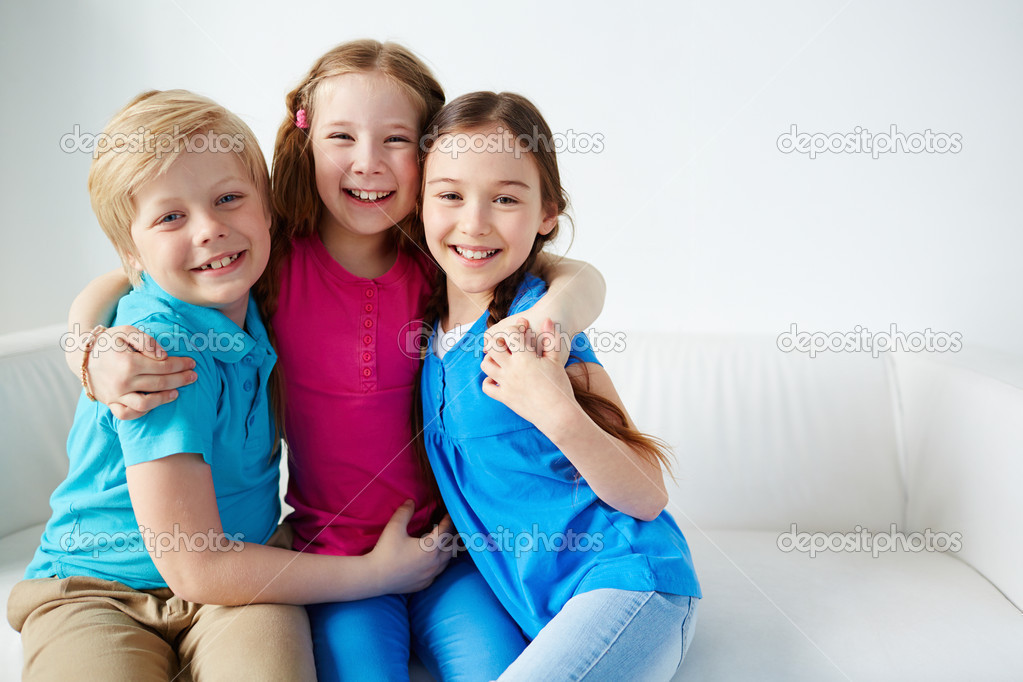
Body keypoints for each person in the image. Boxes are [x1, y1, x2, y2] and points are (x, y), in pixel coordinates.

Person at [62, 40, 606, 682]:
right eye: (342, 136)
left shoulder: (448, 258)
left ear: (429, 155)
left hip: (448, 552)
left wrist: (560, 313)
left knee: (498, 669)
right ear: (307, 143)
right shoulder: (267, 262)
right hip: (333, 552)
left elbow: (569, 271)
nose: (367, 163)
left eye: (396, 140)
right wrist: (87, 349)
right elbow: (130, 280)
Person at [9, 89, 457, 682]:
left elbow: (114, 276)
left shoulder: (258, 288)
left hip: (245, 581)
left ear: (266, 209)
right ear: (132, 247)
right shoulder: (154, 350)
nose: (210, 230)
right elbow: (194, 566)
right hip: (95, 590)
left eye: (228, 199)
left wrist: (82, 343)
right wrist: (378, 574)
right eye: (171, 216)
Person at [414, 91, 702, 681]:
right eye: (450, 194)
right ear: (420, 203)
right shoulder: (427, 333)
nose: (474, 222)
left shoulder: (542, 329)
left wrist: (557, 409)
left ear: (547, 215)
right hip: (536, 608)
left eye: (505, 198)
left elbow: (648, 494)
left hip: (628, 581)